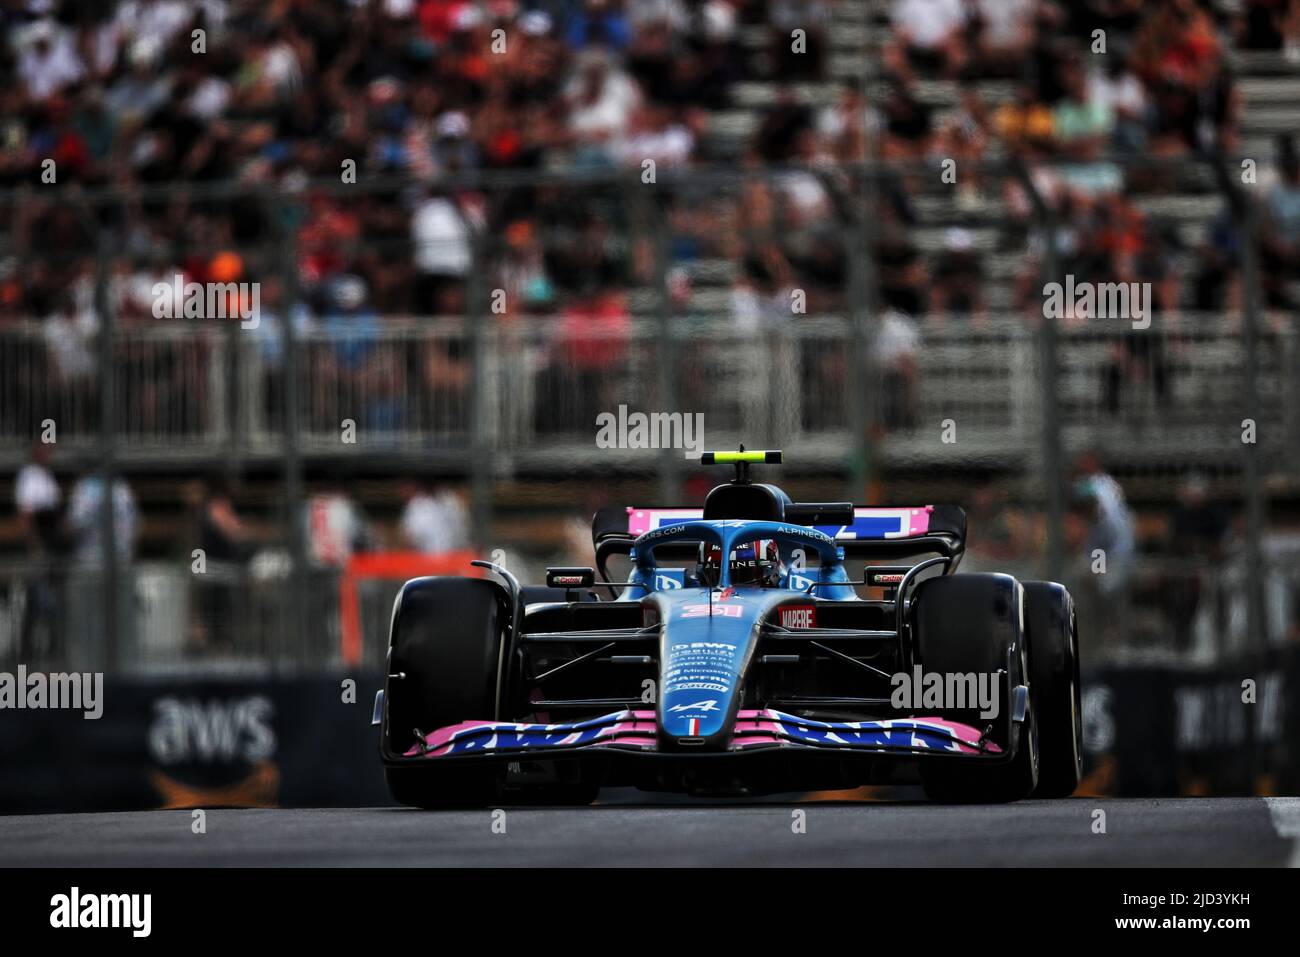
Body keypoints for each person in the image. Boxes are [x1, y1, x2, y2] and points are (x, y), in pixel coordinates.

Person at [14, 441, 65, 661]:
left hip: (52, 541)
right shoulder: (30, 476)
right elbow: (26, 515)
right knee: (37, 596)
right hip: (41, 541)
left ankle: (53, 645)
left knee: (51, 595)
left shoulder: (46, 475)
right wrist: (35, 545)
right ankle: (28, 649)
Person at [399, 480, 469, 555]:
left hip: (453, 555)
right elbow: (409, 538)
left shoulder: (451, 500)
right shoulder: (416, 505)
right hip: (427, 558)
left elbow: (462, 530)